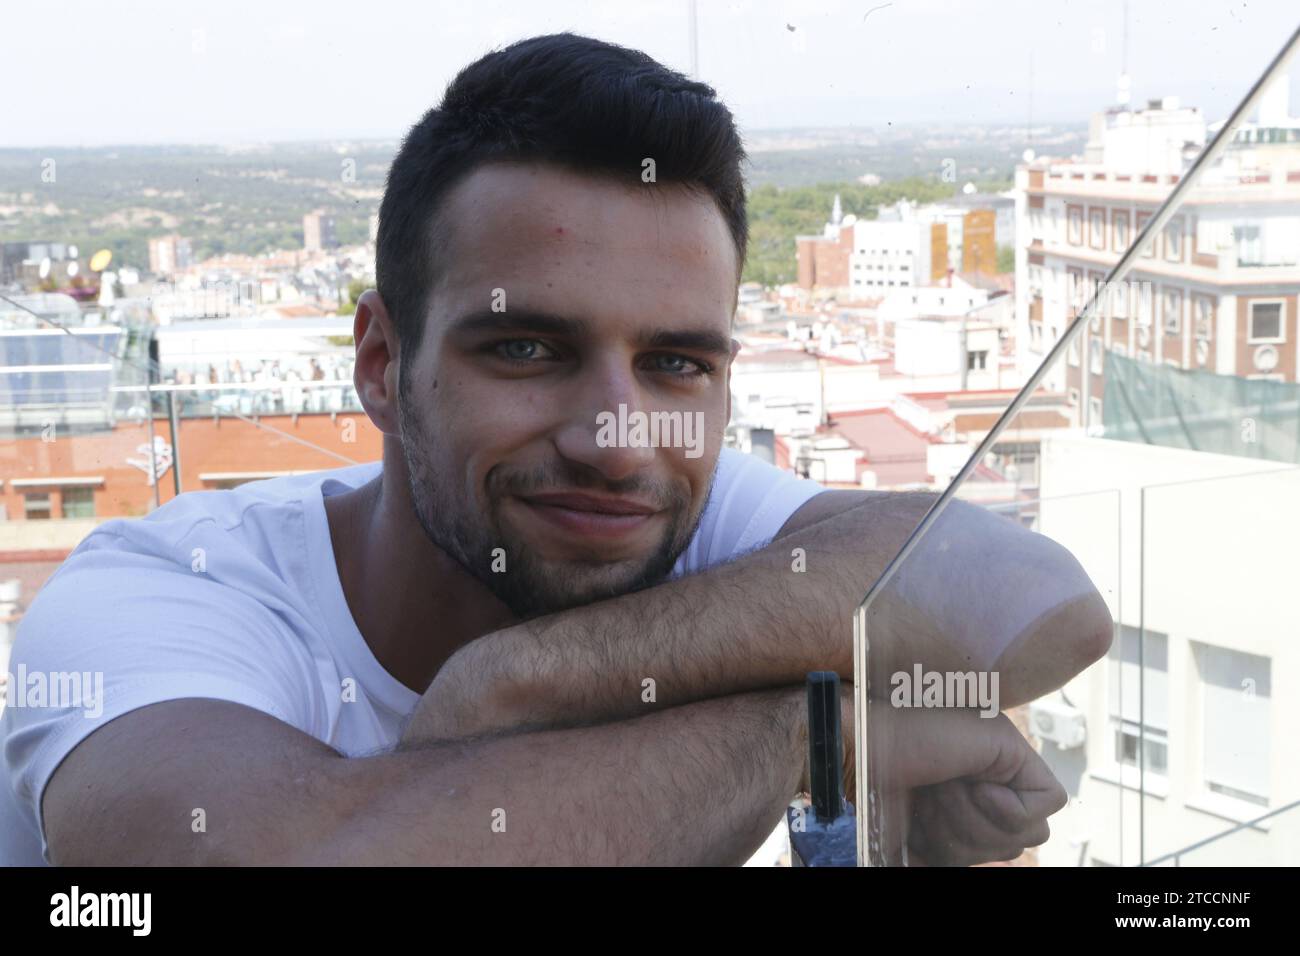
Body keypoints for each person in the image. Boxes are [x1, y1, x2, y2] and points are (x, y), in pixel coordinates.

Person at [0, 33, 1109, 867]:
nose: (614, 440)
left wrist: (516, 678)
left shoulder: (670, 507)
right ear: (381, 363)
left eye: (676, 363)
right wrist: (805, 731)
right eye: (527, 349)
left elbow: (1037, 598)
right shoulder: (167, 594)